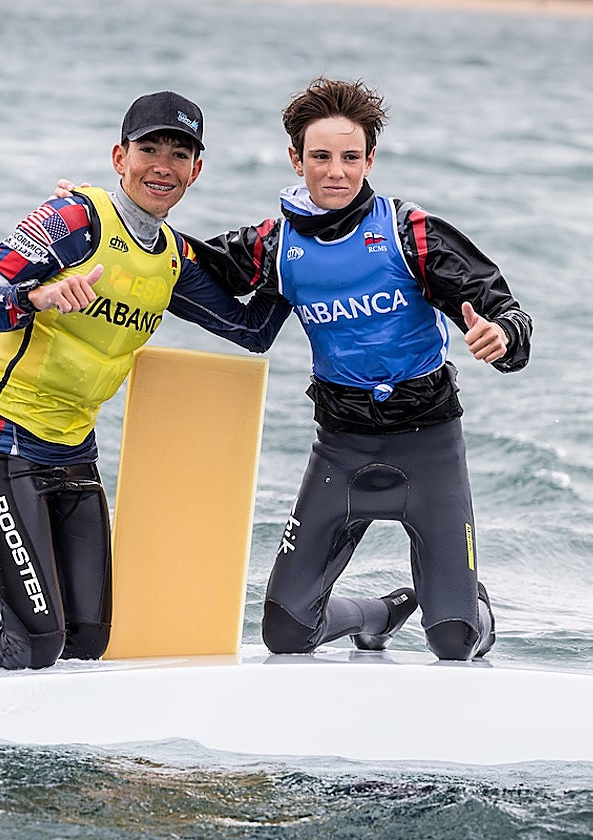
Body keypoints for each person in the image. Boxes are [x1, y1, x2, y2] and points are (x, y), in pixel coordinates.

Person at [0, 91, 291, 679]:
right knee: (32, 648)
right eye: (148, 148)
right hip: (5, 436)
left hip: (74, 449)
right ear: (118, 156)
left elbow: (252, 328)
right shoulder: (71, 223)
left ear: (196, 171)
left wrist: (308, 249)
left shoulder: (174, 259)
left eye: (179, 154)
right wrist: (32, 298)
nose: (163, 164)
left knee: (84, 639)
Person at [190, 78, 534, 660]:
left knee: (453, 640)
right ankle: (377, 614)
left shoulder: (411, 234)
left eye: (350, 157)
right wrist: (102, 218)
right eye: (320, 157)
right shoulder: (273, 246)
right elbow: (180, 261)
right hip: (341, 451)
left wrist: (501, 335)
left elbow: (505, 308)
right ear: (295, 159)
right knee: (286, 634)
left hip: (429, 449)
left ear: (369, 159)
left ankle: (473, 606)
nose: (335, 172)